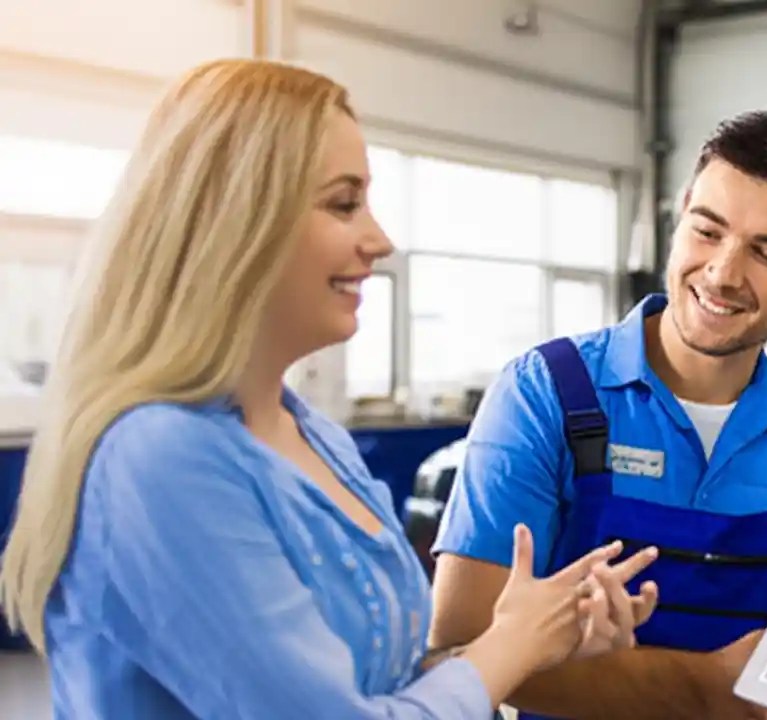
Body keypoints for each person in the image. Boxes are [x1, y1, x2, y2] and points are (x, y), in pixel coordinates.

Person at [0, 58, 660, 719]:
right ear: (235, 221)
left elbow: (381, 684)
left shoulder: (311, 435)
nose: (379, 240)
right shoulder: (159, 458)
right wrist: (507, 650)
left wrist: (532, 639)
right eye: (343, 204)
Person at [429, 110, 767, 720]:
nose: (723, 273)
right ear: (681, 214)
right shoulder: (546, 395)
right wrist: (709, 687)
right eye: (708, 231)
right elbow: (458, 651)